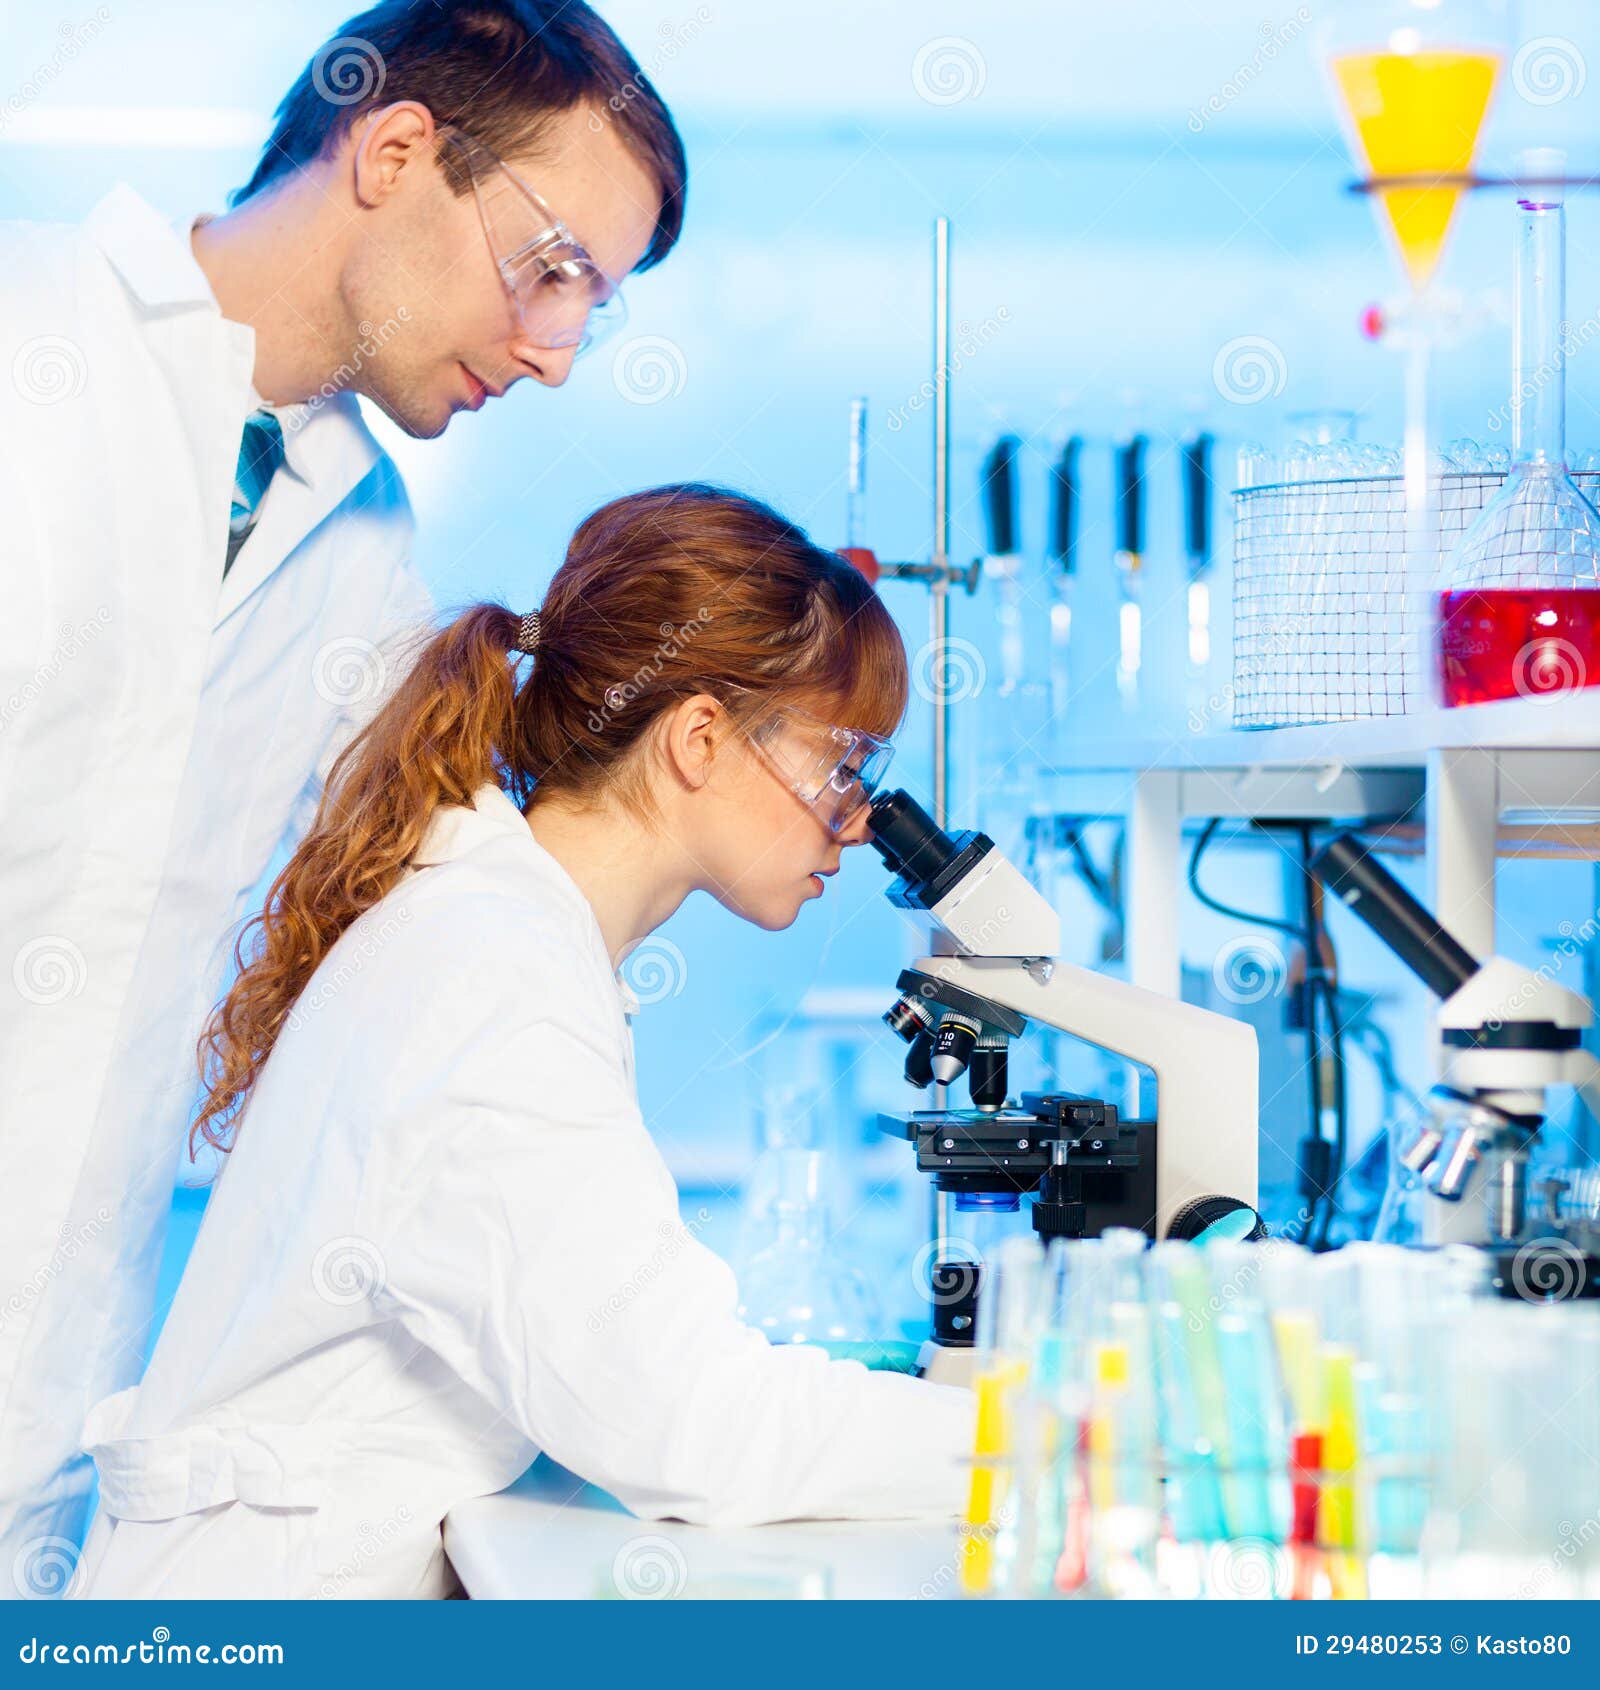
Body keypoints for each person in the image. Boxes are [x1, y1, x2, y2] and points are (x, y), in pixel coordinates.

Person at [0, 0, 687, 1582]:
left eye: (596, 304)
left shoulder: (367, 551)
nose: (557, 349)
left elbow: (464, 886)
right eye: (555, 267)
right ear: (393, 151)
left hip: (43, 1399)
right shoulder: (32, 340)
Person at [66, 485, 978, 1600]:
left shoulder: (506, 934)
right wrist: (1038, 1438)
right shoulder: (494, 975)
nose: (855, 818)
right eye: (846, 764)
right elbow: (690, 1424)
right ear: (698, 737)